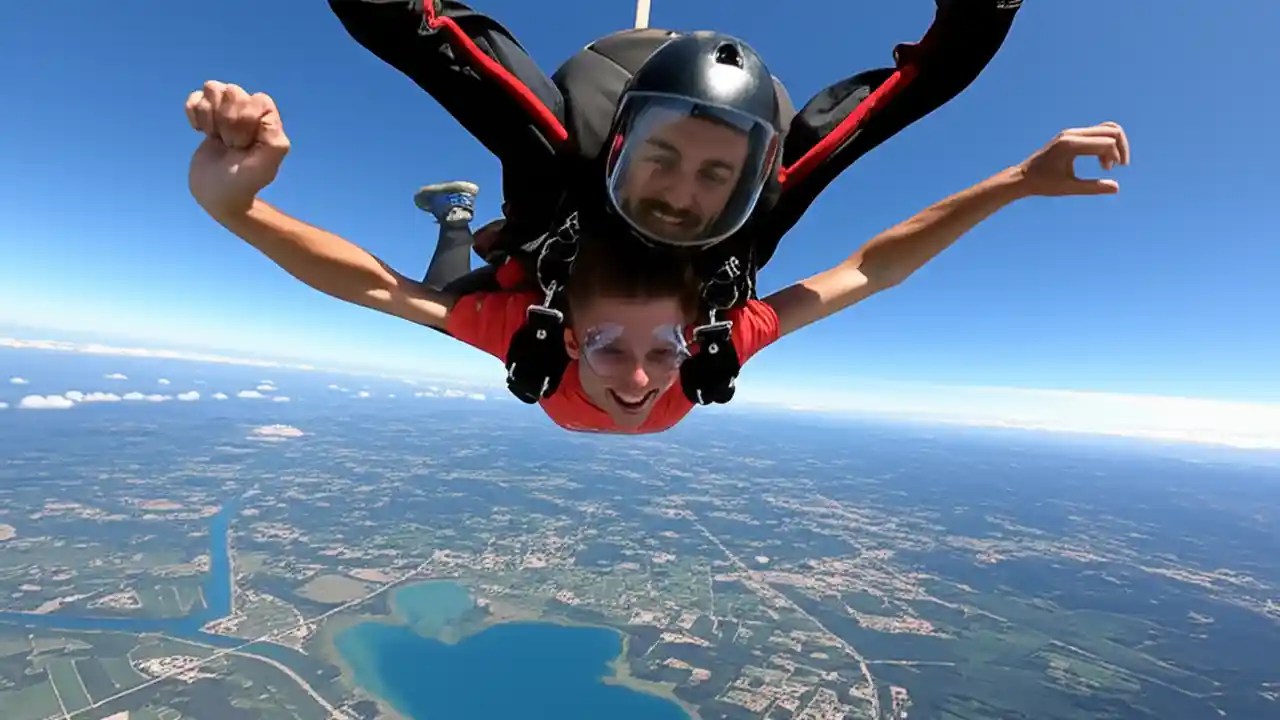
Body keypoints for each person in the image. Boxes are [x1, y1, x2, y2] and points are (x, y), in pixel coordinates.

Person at [184, 81, 1130, 434]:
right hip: (523, 277)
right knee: (452, 272)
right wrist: (236, 202)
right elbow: (374, 288)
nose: (640, 380)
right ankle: (467, 217)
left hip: (527, 286)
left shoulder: (549, 341)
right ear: (568, 332)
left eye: (658, 354)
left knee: (453, 288)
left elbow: (872, 269)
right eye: (614, 350)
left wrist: (1013, 181)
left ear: (693, 340)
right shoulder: (697, 335)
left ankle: (479, 222)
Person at [326, 0, 1024, 403]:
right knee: (443, 309)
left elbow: (906, 100)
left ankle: (476, 227)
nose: (682, 199)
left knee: (446, 312)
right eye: (663, 160)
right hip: (542, 257)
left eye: (716, 176)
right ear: (620, 146)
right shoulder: (568, 160)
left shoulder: (769, 199)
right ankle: (458, 218)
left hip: (548, 260)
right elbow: (435, 45)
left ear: (753, 180)